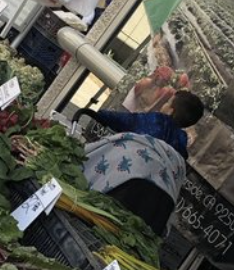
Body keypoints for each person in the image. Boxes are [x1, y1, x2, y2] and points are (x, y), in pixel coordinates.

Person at [73, 90, 205, 236]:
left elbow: (126, 120)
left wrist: (100, 115)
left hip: (128, 184)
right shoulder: (181, 145)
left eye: (167, 102)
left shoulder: (156, 120)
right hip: (157, 203)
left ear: (170, 111)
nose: (164, 104)